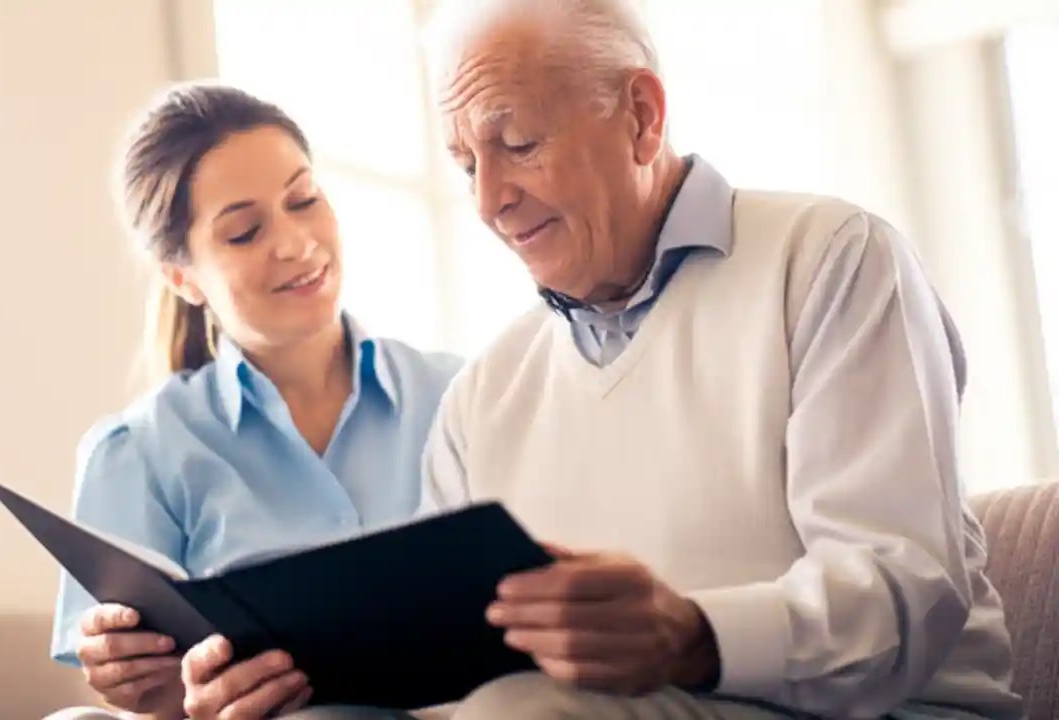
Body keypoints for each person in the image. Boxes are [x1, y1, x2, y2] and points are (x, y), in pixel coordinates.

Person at [406, 0, 1028, 718]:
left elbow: (899, 590)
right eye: (465, 165)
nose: (490, 200)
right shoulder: (481, 395)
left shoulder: (830, 259)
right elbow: (445, 669)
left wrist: (695, 635)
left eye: (517, 144)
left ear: (640, 116)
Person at [47, 83, 461, 720]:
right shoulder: (140, 450)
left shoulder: (460, 397)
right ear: (181, 277)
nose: (296, 242)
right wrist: (157, 688)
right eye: (244, 232)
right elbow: (143, 697)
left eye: (304, 200)